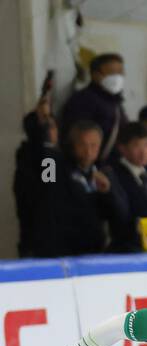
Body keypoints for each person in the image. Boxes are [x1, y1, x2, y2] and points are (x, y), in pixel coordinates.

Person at [36, 119, 113, 257]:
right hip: (63, 250)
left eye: (94, 145)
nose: (88, 151)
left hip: (94, 249)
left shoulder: (105, 172)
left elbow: (116, 213)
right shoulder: (58, 167)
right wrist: (49, 146)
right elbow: (46, 181)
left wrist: (107, 192)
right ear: (72, 145)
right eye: (82, 145)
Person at [105, 121, 147, 252]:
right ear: (122, 148)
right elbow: (119, 216)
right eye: (136, 146)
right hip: (127, 248)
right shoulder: (113, 175)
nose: (143, 152)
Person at [14, 93, 61, 257]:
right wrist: (46, 142)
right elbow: (50, 182)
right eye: (50, 127)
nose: (55, 131)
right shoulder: (32, 158)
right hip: (39, 242)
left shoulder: (50, 155)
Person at [59, 53, 128, 163]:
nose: (118, 77)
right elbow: (76, 138)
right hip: (90, 166)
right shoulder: (83, 100)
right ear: (96, 75)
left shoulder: (115, 102)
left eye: (120, 72)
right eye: (112, 72)